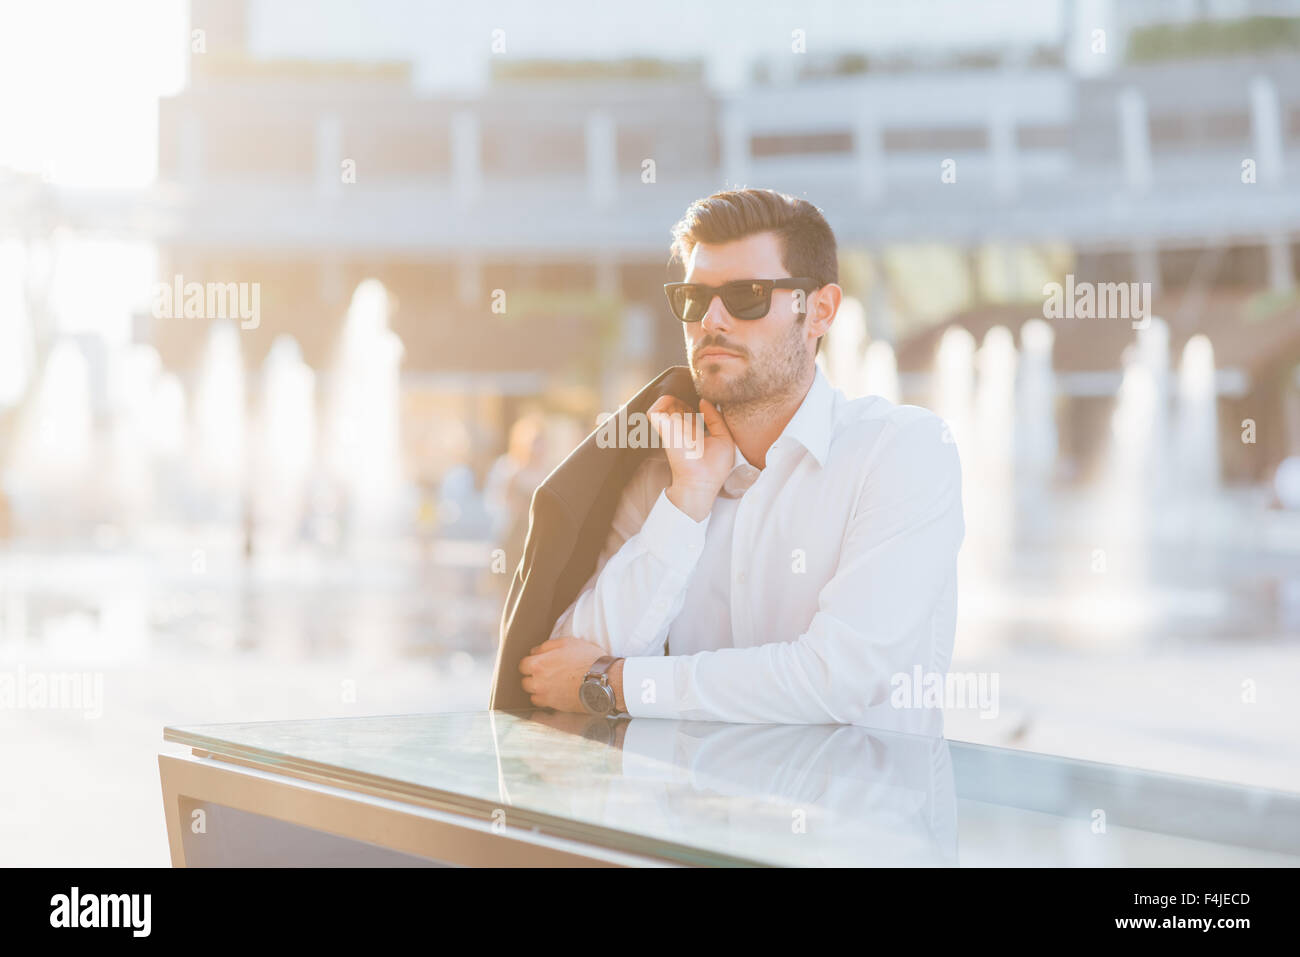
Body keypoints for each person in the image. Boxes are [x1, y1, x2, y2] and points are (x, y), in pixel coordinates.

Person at [518, 188, 964, 727]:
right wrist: (686, 504)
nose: (712, 320)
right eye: (694, 298)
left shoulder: (901, 451)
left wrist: (612, 685)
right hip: (687, 810)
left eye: (747, 295)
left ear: (819, 310)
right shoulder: (665, 476)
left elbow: (837, 680)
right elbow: (557, 665)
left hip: (859, 807)